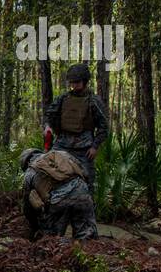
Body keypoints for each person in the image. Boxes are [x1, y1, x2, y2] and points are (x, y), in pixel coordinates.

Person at [43, 63, 109, 202]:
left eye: (77, 82)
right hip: (62, 144)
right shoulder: (63, 98)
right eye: (72, 82)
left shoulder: (93, 101)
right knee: (49, 173)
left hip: (84, 148)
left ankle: (87, 215)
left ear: (84, 82)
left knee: (87, 184)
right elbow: (50, 114)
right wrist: (48, 127)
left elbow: (103, 127)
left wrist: (95, 146)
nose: (73, 85)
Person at [20, 147, 97, 240]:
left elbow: (28, 208)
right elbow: (84, 172)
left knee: (52, 240)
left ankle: (62, 248)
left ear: (25, 162)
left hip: (58, 202)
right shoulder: (61, 154)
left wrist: (35, 226)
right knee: (87, 236)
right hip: (82, 193)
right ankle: (86, 252)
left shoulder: (29, 172)